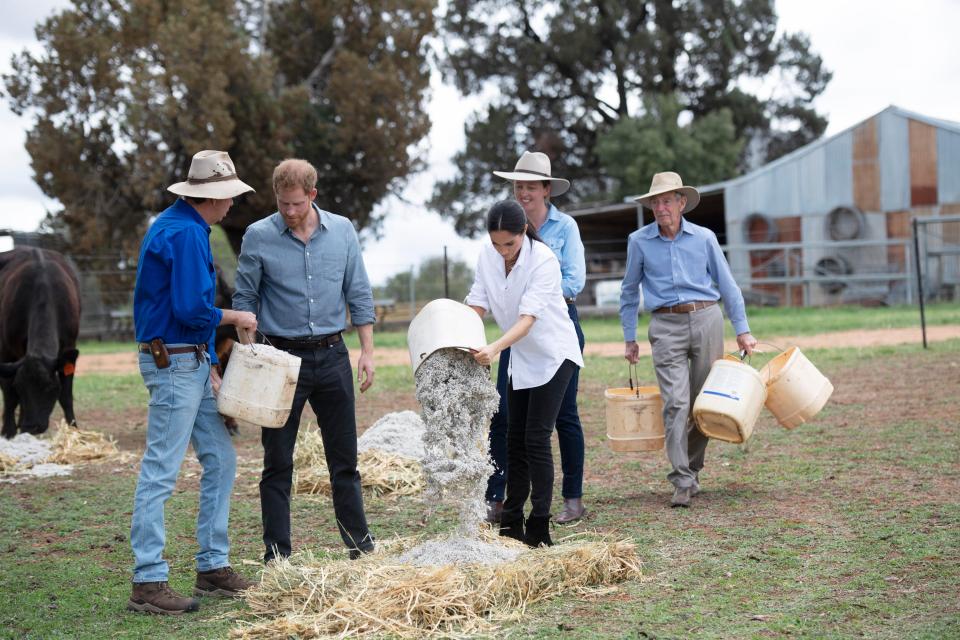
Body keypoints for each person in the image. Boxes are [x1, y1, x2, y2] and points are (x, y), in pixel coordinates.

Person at [128, 150, 259, 615]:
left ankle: (212, 566)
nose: (231, 205)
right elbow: (190, 309)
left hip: (191, 360)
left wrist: (212, 362)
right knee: (162, 467)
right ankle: (147, 580)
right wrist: (236, 315)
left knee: (221, 457)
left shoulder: (179, 225)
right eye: (228, 197)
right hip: (177, 362)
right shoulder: (185, 233)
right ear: (213, 197)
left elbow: (184, 309)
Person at [233, 158, 376, 563]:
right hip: (279, 361)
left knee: (344, 460)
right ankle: (277, 555)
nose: (290, 212)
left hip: (333, 356)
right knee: (277, 462)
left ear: (312, 195)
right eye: (283, 204)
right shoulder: (257, 236)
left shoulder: (343, 230)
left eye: (297, 204)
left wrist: (367, 351)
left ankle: (360, 548)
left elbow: (359, 292)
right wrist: (250, 350)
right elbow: (245, 299)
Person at [619, 171, 758, 508]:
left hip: (707, 318)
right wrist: (629, 337)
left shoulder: (705, 238)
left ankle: (693, 469)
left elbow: (728, 286)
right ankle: (681, 478)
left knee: (702, 403)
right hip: (665, 325)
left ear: (681, 203)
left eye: (667, 200)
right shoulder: (639, 241)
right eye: (656, 201)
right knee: (676, 403)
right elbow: (628, 291)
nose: (660, 207)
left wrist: (742, 329)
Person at [467, 200, 584, 547]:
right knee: (513, 439)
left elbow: (528, 319)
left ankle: (539, 527)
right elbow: (477, 302)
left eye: (510, 244)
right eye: (496, 244)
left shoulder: (544, 260)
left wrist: (494, 349)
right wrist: (457, 335)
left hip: (553, 355)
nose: (503, 252)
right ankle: (511, 524)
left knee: (535, 439)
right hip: (519, 355)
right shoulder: (487, 257)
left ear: (523, 234)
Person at [488, 151, 589, 525]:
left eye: (531, 186)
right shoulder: (504, 231)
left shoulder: (565, 228)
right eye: (518, 186)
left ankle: (572, 497)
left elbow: (574, 280)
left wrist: (535, 291)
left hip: (556, 325)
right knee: (503, 413)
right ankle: (498, 497)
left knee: (563, 415)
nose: (524, 193)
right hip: (516, 330)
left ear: (547, 190)